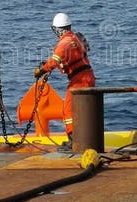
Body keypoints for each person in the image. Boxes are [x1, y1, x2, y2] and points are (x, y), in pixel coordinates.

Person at [34, 12, 95, 149]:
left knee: (68, 110)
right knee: (81, 110)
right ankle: (82, 137)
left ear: (56, 29)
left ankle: (74, 141)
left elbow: (55, 61)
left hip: (80, 80)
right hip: (86, 76)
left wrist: (41, 70)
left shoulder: (64, 43)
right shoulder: (75, 37)